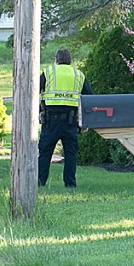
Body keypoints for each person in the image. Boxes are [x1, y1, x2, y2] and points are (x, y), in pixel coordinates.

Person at [38, 48, 92, 188]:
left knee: (45, 152)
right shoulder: (78, 75)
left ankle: (39, 182)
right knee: (70, 154)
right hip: (71, 121)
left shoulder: (49, 72)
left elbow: (34, 90)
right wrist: (85, 121)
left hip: (50, 121)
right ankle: (70, 184)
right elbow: (89, 99)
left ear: (56, 60)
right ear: (70, 61)